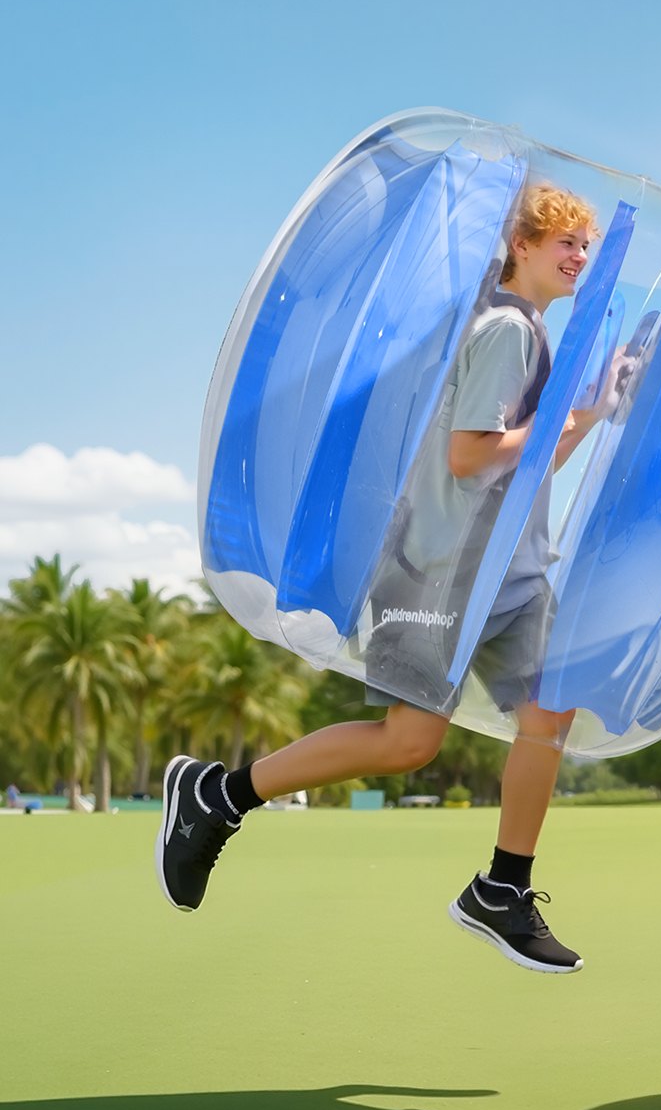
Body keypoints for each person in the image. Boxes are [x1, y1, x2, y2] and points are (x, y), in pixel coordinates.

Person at [159, 182, 622, 974]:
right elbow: (471, 458)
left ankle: (503, 889)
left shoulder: (534, 332)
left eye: (587, 244)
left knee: (548, 715)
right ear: (522, 247)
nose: (580, 257)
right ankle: (220, 795)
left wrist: (593, 408)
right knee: (410, 744)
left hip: (505, 573)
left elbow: (532, 465)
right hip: (438, 573)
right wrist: (577, 415)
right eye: (565, 243)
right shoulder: (508, 328)